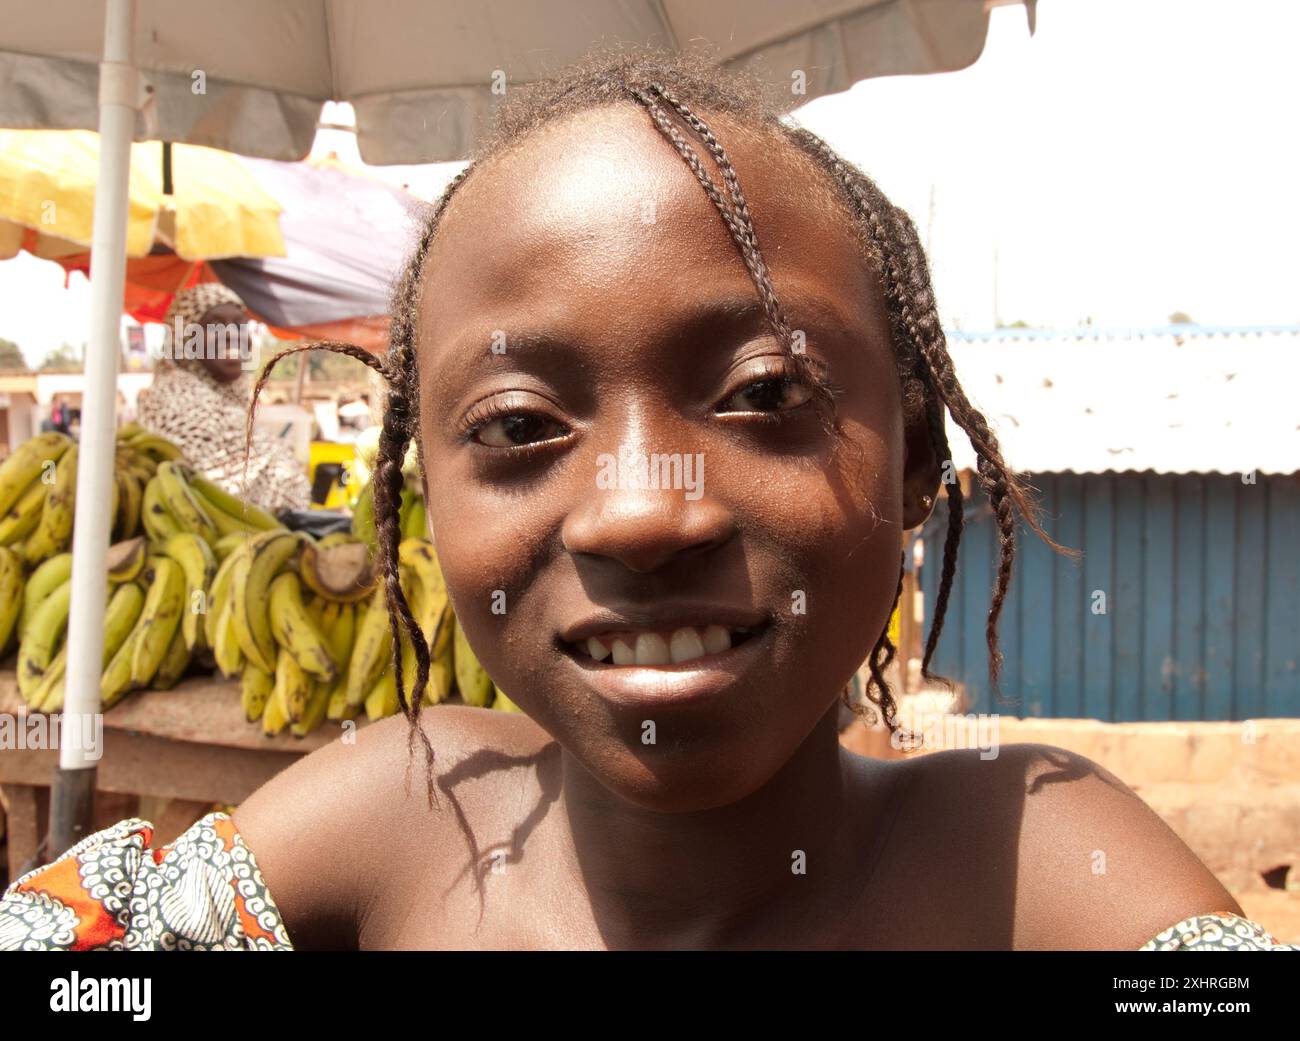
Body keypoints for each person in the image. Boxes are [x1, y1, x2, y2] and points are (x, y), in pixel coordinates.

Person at [1, 51, 1293, 952]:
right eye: (516, 426)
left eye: (761, 393)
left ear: (913, 463)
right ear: (425, 500)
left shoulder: (1034, 871)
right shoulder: (398, 820)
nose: (638, 512)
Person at [134, 283, 311, 515]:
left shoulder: (229, 403)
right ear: (184, 338)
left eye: (240, 325)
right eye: (214, 326)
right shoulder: (173, 399)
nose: (231, 335)